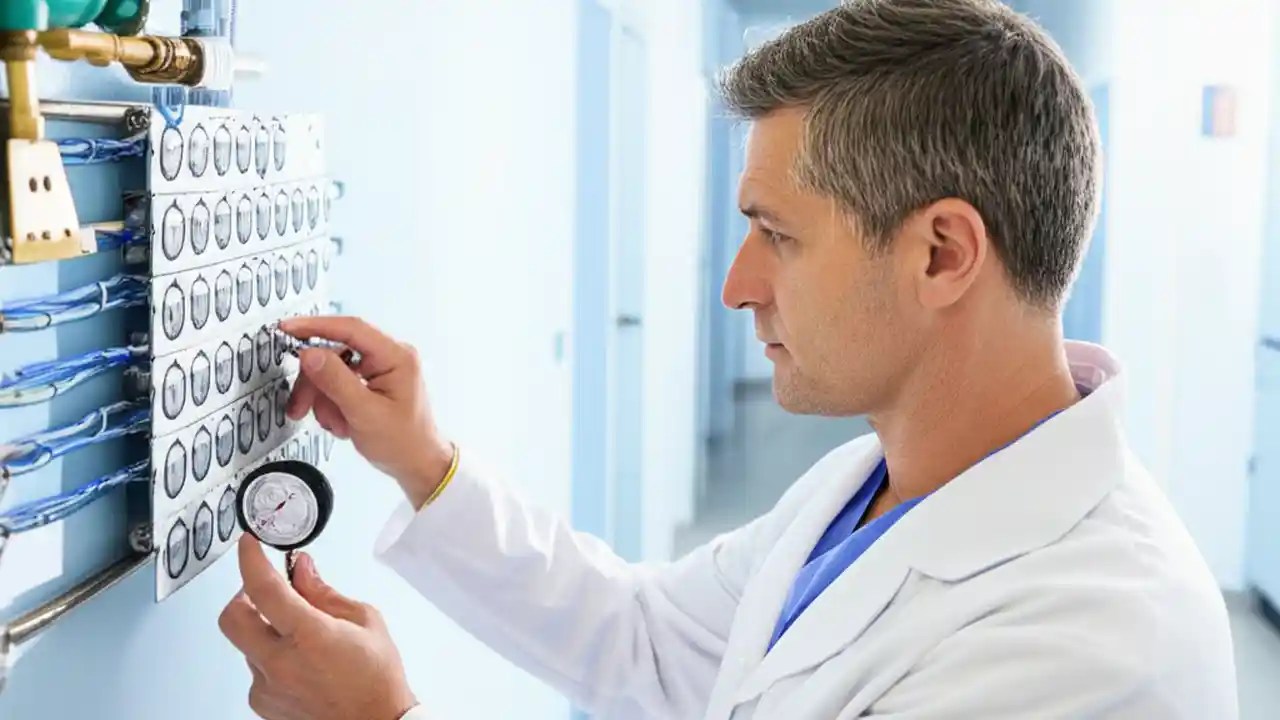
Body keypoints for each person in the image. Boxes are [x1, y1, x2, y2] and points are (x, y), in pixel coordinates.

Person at [218, 0, 1239, 717]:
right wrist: (421, 461)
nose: (736, 284)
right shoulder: (874, 486)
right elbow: (642, 639)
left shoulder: (1091, 647)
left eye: (777, 234)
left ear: (940, 254)